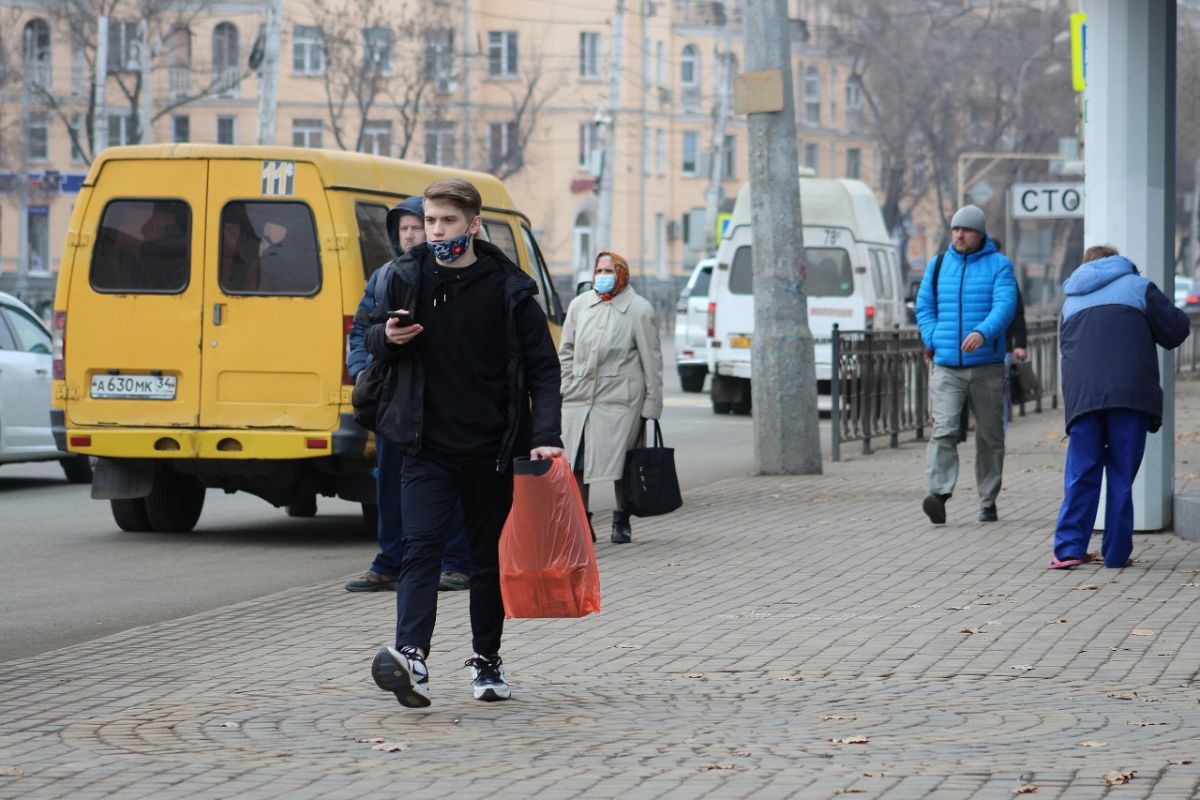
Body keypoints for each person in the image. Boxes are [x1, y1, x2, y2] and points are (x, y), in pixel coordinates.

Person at [365, 178, 563, 707]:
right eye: (430, 221)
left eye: (447, 221)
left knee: (485, 561)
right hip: (425, 445)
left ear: (474, 224)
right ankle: (412, 657)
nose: (435, 231)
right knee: (420, 550)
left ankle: (487, 659)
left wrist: (546, 436)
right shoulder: (403, 277)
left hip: (492, 449)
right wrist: (386, 338)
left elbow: (544, 370)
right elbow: (369, 334)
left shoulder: (509, 288)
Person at [343, 196, 472, 594]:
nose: (412, 235)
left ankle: (456, 563)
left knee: (449, 483)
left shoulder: (455, 274)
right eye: (405, 229)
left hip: (443, 401)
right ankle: (390, 564)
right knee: (390, 483)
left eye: (418, 226)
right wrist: (363, 370)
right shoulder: (384, 277)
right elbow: (361, 331)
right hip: (394, 402)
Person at [1049, 245, 1190, 569]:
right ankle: (1115, 554)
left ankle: (1068, 550)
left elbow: (1067, 350)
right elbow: (1177, 330)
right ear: (1117, 262)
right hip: (1129, 393)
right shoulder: (1139, 287)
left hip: (1083, 396)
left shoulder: (1070, 300)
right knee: (1121, 475)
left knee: (1081, 472)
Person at [915, 205, 1017, 525]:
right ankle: (938, 494)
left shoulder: (999, 266)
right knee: (943, 430)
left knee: (989, 436)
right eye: (956, 229)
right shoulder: (938, 265)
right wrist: (933, 337)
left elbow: (1005, 305)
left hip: (986, 367)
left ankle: (988, 500)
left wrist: (983, 332)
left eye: (967, 230)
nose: (959, 235)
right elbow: (924, 307)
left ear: (980, 234)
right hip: (946, 366)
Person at [558, 251, 664, 544]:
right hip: (580, 396)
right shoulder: (580, 305)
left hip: (620, 399)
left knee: (619, 461)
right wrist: (566, 384)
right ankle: (583, 522)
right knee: (578, 460)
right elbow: (566, 350)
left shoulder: (638, 309)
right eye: (599, 270)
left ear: (622, 274)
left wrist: (652, 404)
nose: (603, 276)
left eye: (609, 271)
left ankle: (621, 518)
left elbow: (652, 361)